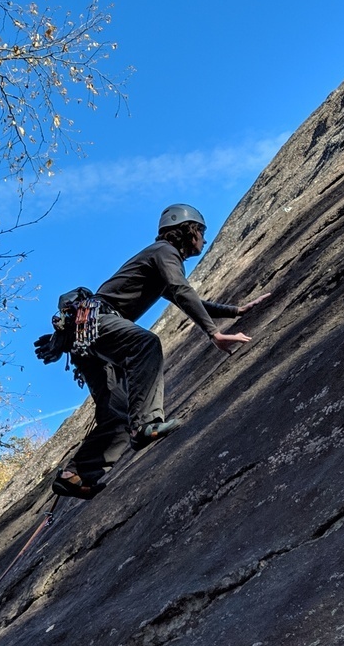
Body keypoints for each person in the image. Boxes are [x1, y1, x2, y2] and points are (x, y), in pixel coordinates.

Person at [35, 205, 271, 498]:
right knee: (145, 344)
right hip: (100, 322)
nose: (204, 239)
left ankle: (77, 474)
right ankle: (146, 424)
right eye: (201, 231)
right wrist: (214, 333)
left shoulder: (160, 260)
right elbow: (182, 290)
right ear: (187, 229)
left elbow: (186, 296)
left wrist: (235, 311)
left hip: (87, 338)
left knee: (118, 412)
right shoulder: (164, 252)